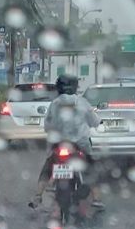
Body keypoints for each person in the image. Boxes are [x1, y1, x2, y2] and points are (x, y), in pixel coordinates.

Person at [29, 74, 103, 212]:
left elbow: (47, 126)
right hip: (80, 143)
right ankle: (97, 198)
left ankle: (38, 195)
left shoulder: (54, 103)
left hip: (58, 143)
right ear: (75, 87)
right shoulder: (83, 102)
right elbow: (95, 121)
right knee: (91, 168)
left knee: (48, 166)